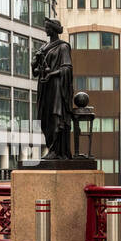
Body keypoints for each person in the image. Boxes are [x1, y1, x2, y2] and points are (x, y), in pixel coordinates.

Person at [32, 18, 75, 161]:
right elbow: (36, 72)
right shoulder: (43, 47)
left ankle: (57, 151)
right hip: (45, 87)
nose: (45, 29)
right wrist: (35, 62)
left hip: (56, 87)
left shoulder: (63, 47)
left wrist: (52, 74)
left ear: (54, 29)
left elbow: (67, 68)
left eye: (47, 27)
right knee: (45, 119)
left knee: (55, 118)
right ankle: (50, 147)